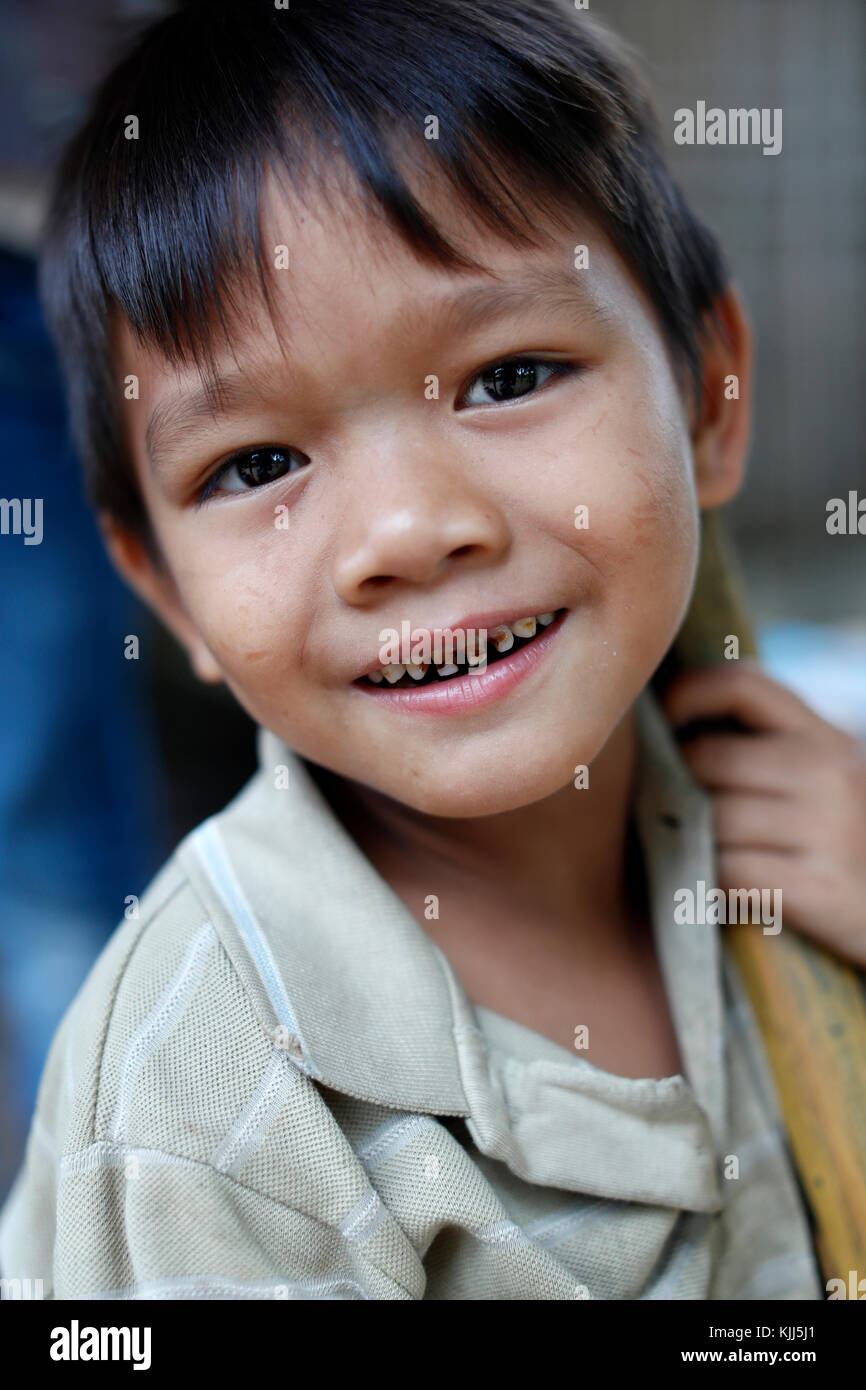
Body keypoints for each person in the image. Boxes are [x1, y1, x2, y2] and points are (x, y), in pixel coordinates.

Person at [1, 0, 864, 1300]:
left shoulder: (805, 816)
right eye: (256, 463)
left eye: (506, 378)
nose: (404, 532)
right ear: (168, 594)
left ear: (705, 398)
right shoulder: (204, 1103)